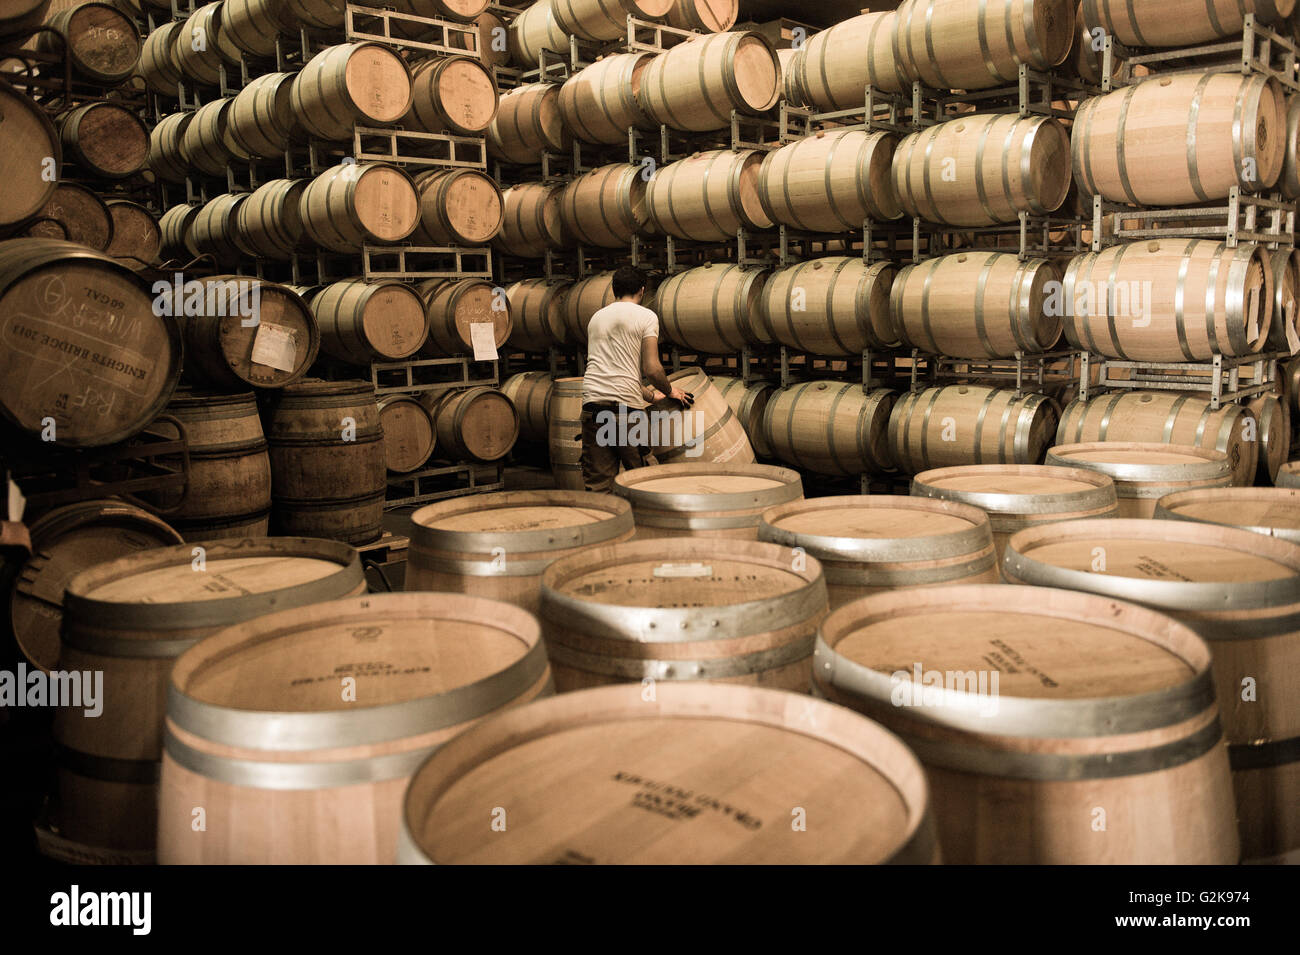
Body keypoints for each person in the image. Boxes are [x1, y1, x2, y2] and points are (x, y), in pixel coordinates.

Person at [579, 266, 693, 494]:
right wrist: (669, 391)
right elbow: (652, 369)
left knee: (599, 485)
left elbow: (615, 371)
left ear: (614, 290)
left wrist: (650, 395)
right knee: (642, 480)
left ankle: (606, 527)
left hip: (592, 405)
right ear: (642, 291)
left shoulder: (596, 318)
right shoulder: (646, 316)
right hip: (624, 413)